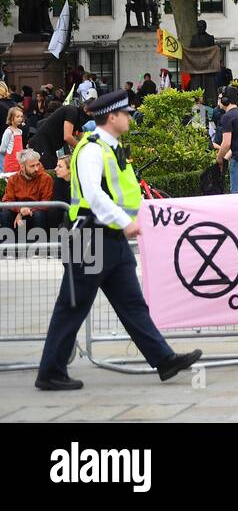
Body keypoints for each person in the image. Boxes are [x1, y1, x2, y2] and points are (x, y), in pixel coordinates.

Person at [34, 90, 203, 391]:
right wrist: (126, 223)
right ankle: (50, 371)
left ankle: (163, 360)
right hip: (90, 235)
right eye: (125, 113)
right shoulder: (91, 149)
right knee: (73, 305)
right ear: (112, 117)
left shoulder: (111, 148)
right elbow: (93, 194)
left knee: (132, 303)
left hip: (108, 236)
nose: (129, 117)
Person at [2, 149, 59, 230]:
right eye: (32, 166)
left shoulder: (45, 178)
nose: (36, 169)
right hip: (18, 212)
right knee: (5, 214)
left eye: (37, 164)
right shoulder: (13, 179)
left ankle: (40, 241)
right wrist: (20, 210)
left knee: (39, 214)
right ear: (22, 166)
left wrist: (26, 211)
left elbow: (46, 202)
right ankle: (7, 241)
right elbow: (7, 201)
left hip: (37, 213)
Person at [213, 87, 238, 193]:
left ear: (225, 100)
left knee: (237, 195)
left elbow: (226, 143)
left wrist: (219, 158)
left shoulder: (227, 117)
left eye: (220, 98)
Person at [29, 100, 84, 169]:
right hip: (45, 148)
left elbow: (80, 135)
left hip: (51, 149)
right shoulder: (70, 114)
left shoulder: (72, 118)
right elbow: (68, 137)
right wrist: (81, 149)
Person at [2, 106, 25, 175]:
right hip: (10, 162)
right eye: (17, 117)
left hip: (19, 162)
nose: (20, 119)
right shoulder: (9, 131)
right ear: (11, 118)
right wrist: (10, 156)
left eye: (21, 116)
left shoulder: (20, 131)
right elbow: (2, 149)